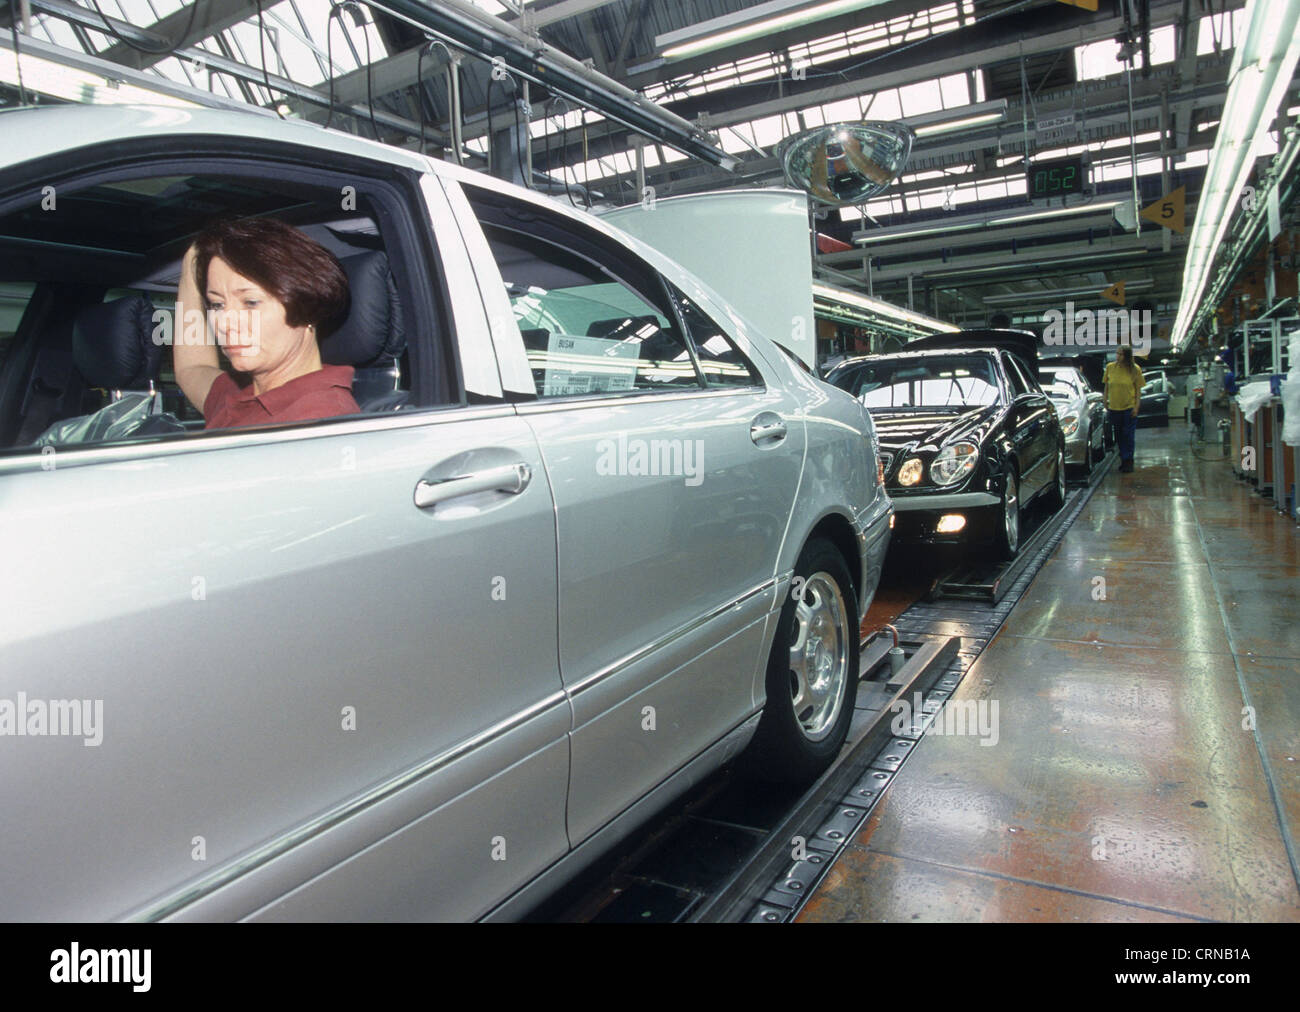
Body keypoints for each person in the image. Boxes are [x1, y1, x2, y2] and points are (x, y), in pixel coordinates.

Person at [174, 218, 359, 428]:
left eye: (251, 303)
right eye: (217, 305)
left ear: (308, 309)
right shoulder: (243, 396)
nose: (225, 324)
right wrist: (192, 260)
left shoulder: (320, 419)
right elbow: (191, 368)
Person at [1103, 344, 1143, 473]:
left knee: (1128, 435)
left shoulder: (1135, 370)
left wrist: (1136, 407)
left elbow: (1138, 390)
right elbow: (1107, 386)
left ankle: (1128, 460)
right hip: (1114, 408)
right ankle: (1123, 458)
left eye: (1121, 354)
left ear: (1127, 356)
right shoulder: (1110, 368)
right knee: (1119, 435)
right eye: (1117, 353)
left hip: (1128, 407)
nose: (1118, 356)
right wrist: (1105, 401)